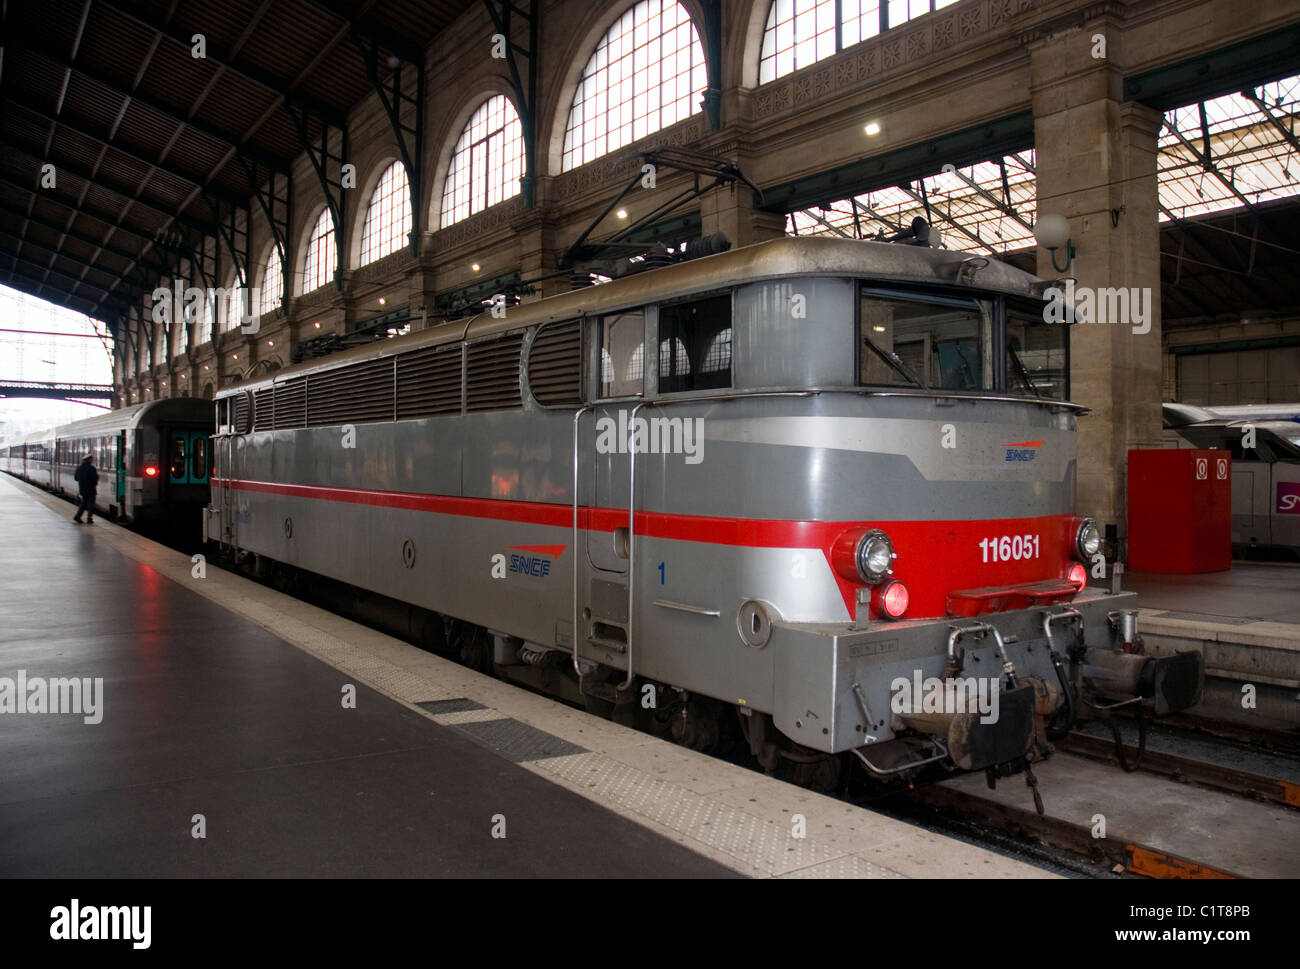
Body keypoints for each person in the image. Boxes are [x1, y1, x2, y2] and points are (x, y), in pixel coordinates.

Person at [73, 454, 98, 524]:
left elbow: (76, 478)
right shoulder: (91, 468)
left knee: (83, 503)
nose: (92, 460)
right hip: (91, 489)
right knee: (91, 504)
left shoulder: (79, 468)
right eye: (91, 459)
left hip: (82, 489)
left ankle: (78, 516)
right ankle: (89, 518)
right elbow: (95, 479)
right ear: (88, 460)